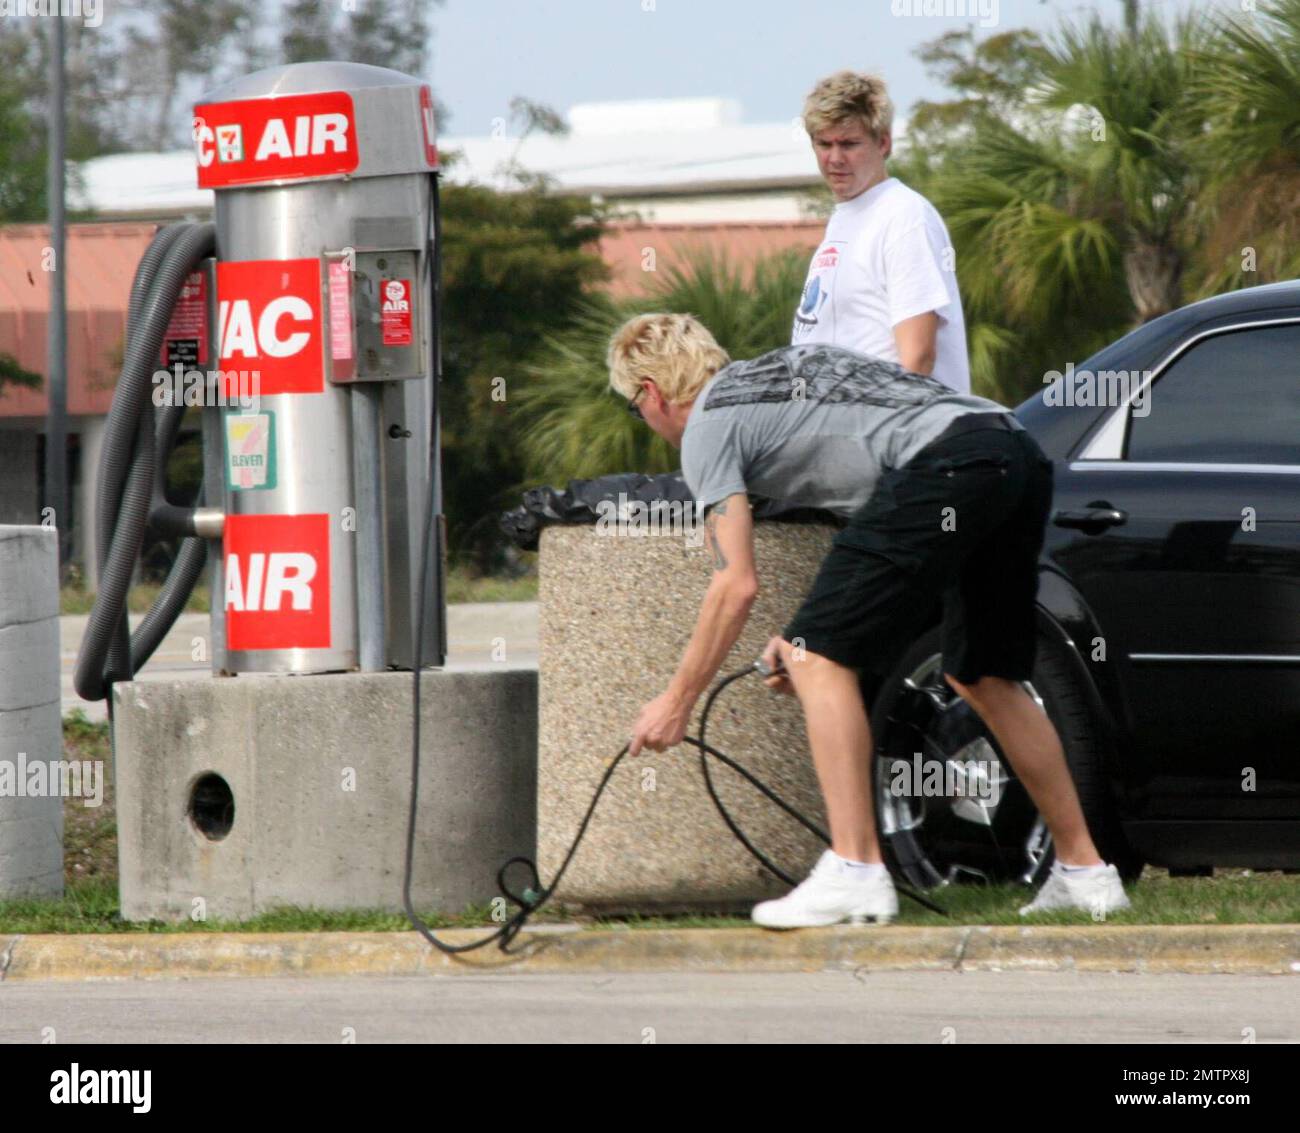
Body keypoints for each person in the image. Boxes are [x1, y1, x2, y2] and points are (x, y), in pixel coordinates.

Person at [611, 312, 1131, 927]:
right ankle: (1086, 874)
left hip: (944, 465)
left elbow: (735, 583)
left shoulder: (708, 425)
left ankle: (855, 868)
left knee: (816, 656)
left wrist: (677, 700)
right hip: (1011, 449)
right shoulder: (783, 375)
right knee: (985, 674)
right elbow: (888, 554)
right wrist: (813, 633)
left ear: (651, 392)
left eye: (633, 407)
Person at [793, 70, 971, 395]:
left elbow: (918, 358)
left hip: (899, 438)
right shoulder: (844, 220)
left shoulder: (903, 215)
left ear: (884, 142)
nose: (834, 158)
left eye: (849, 144)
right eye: (823, 144)